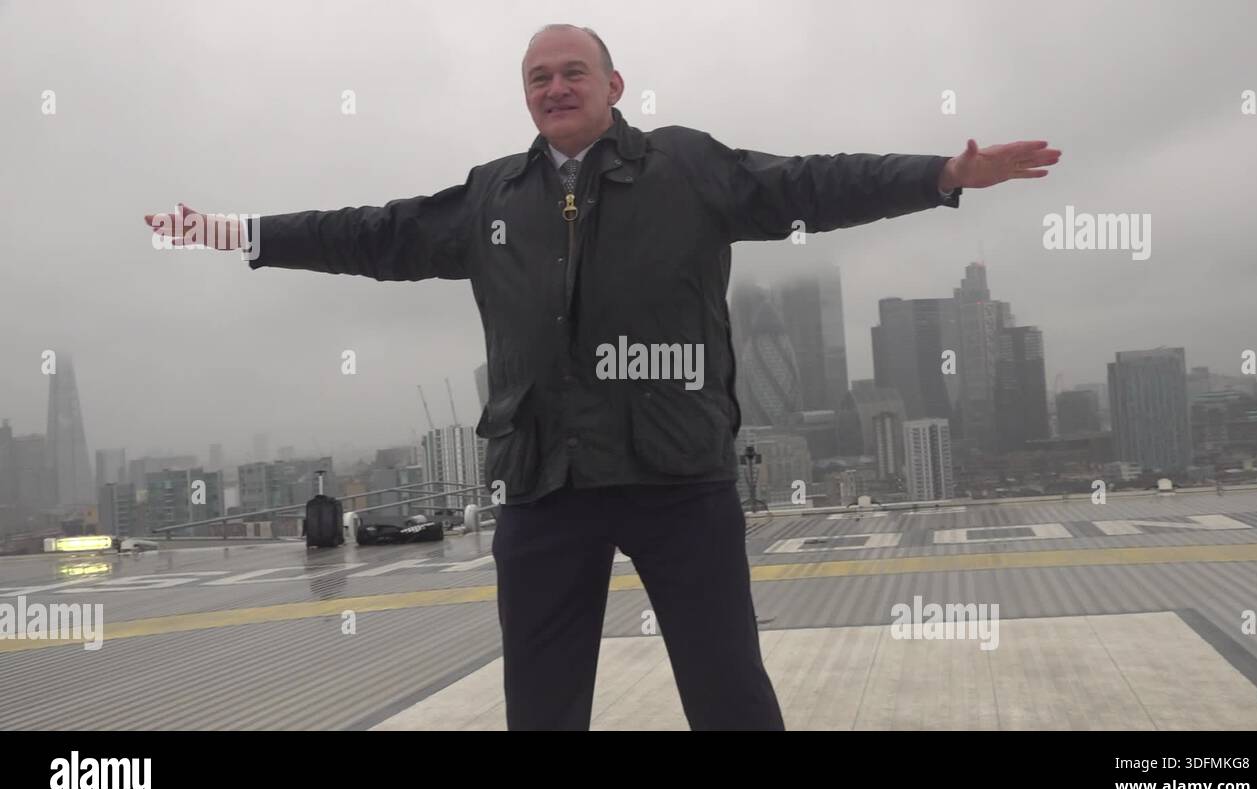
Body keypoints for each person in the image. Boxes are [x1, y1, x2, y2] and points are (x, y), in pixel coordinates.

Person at [146, 23, 1061, 730]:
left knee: (728, 692)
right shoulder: (492, 197)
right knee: (541, 706)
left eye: (572, 71)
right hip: (546, 483)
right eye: (537, 77)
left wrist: (942, 173)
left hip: (678, 480)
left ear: (613, 86)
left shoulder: (688, 168)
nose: (554, 87)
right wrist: (240, 233)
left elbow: (808, 185)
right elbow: (370, 235)